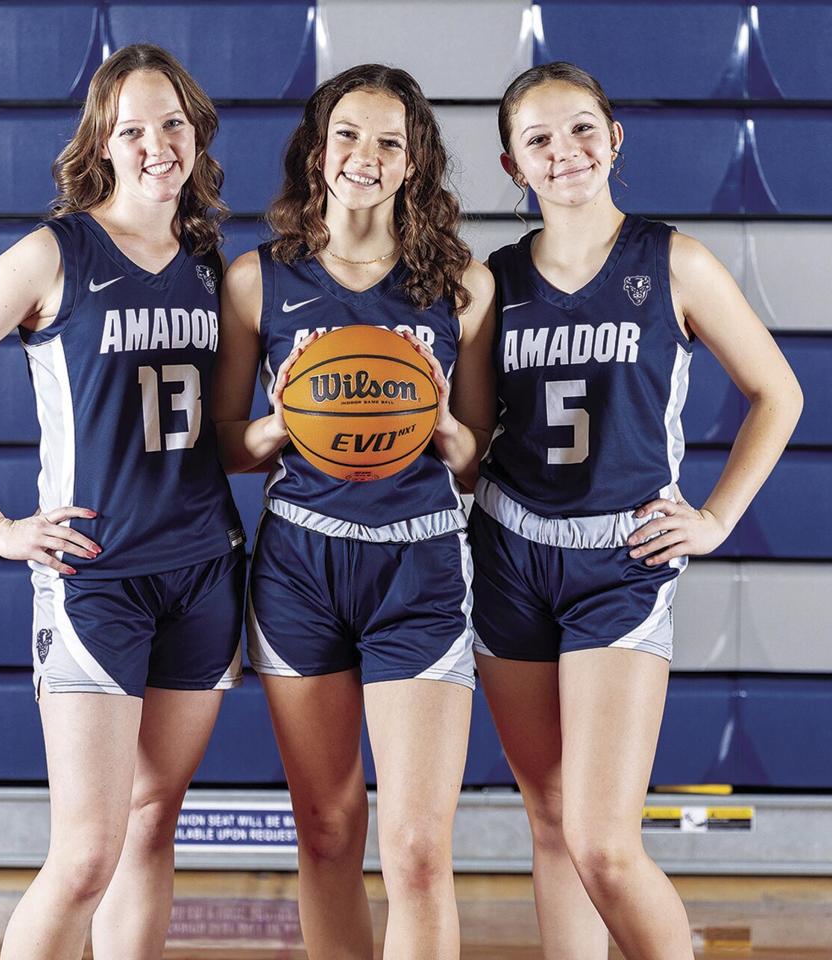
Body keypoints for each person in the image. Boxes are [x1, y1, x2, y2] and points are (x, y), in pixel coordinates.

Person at [0, 44, 245, 960]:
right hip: (97, 579)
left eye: (172, 123)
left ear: (197, 132)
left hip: (203, 573)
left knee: (154, 819)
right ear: (103, 144)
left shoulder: (209, 259)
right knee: (87, 853)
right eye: (132, 128)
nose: (156, 144)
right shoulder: (56, 251)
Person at [470, 62, 804, 960]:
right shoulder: (490, 283)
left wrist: (718, 518)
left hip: (621, 560)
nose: (564, 150)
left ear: (615, 139)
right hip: (507, 554)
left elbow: (778, 393)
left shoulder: (674, 260)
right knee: (547, 818)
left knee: (604, 843)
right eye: (538, 139)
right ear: (514, 167)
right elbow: (464, 438)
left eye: (581, 128)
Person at [212, 64, 495, 960]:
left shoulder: (463, 287)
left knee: (415, 850)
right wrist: (284, 421)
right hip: (301, 565)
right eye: (347, 134)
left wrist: (446, 427)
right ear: (316, 148)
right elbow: (225, 446)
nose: (363, 156)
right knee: (329, 834)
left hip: (418, 565)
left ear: (413, 164)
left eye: (387, 141)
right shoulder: (258, 280)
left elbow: (473, 461)